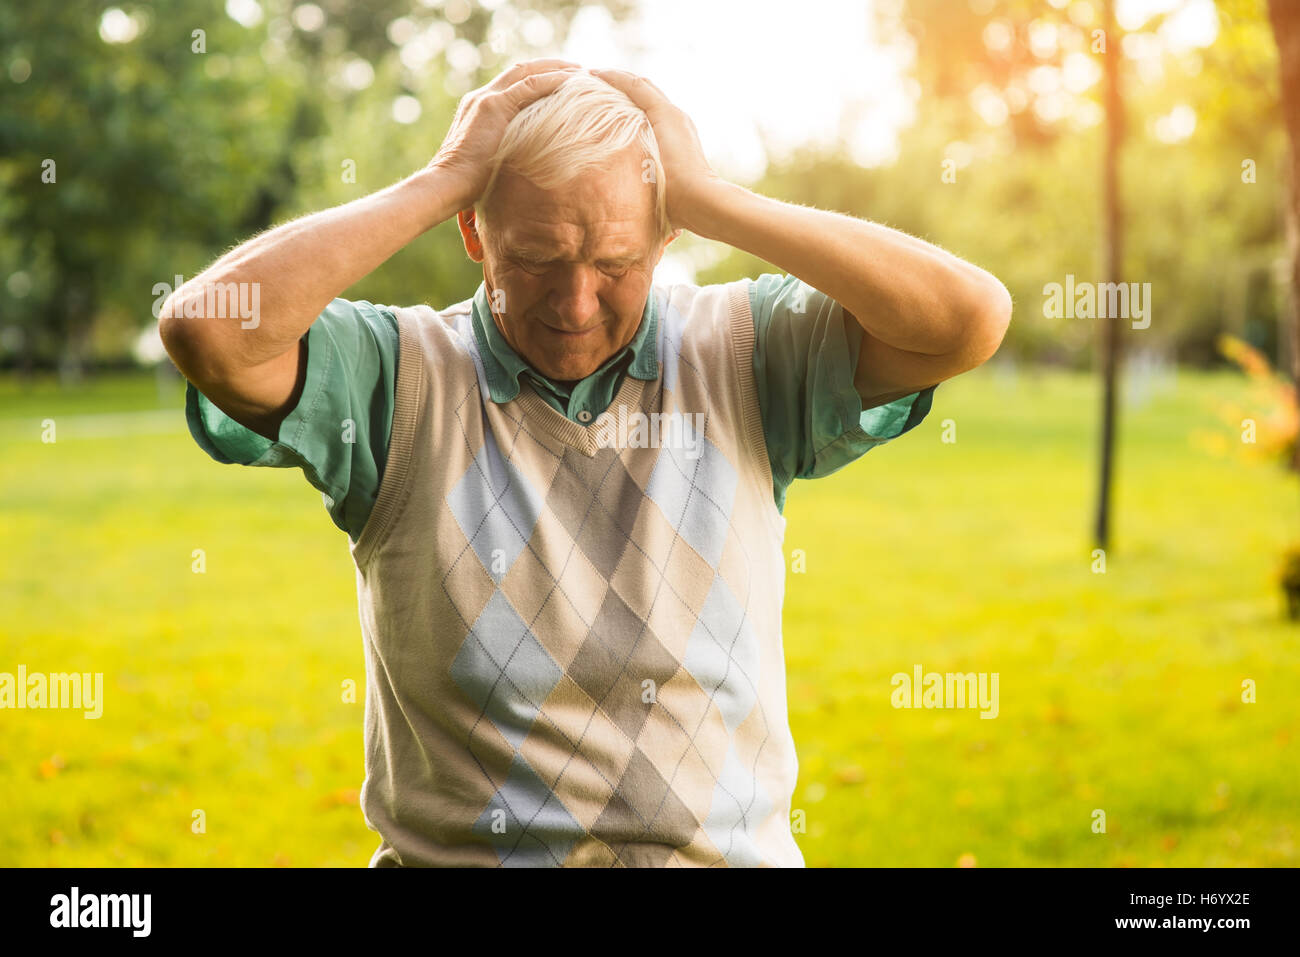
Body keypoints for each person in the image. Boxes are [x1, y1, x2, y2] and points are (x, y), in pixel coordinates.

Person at [159, 60, 1012, 867]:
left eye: (616, 263)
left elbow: (964, 319)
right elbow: (209, 333)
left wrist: (714, 200)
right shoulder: (395, 373)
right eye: (533, 259)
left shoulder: (745, 352)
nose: (574, 303)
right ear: (473, 230)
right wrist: (443, 179)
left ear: (667, 236)